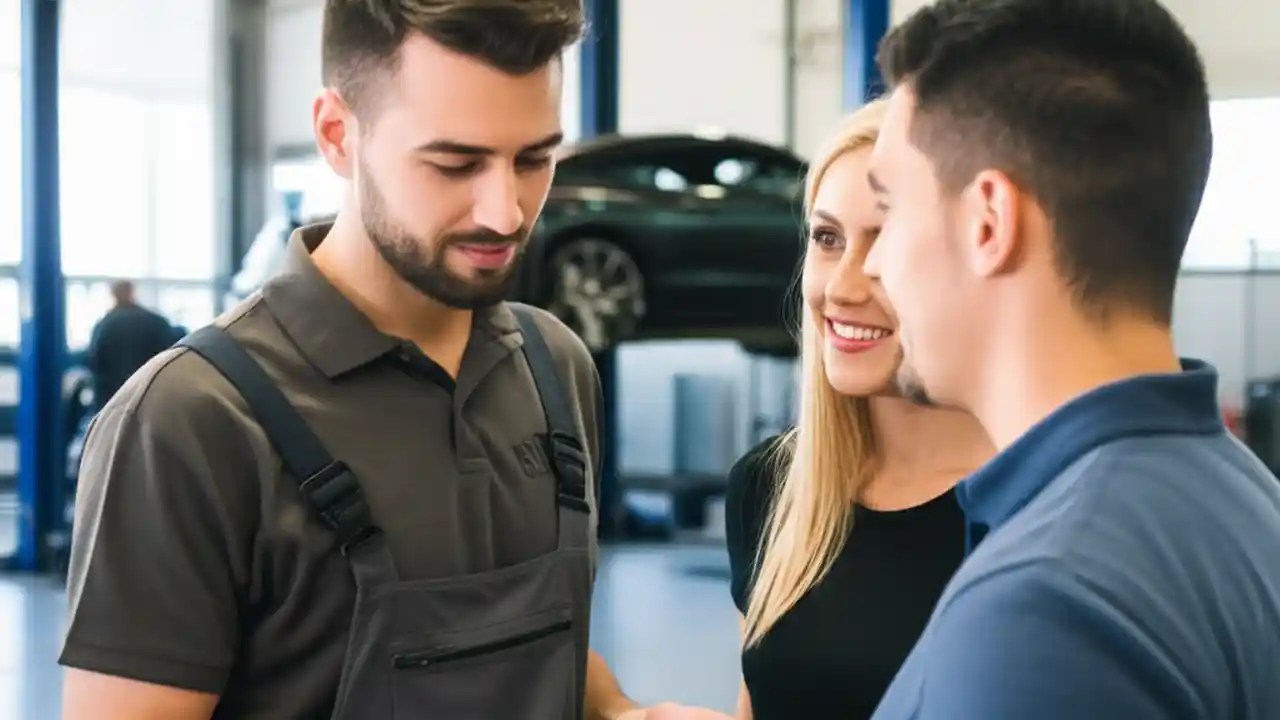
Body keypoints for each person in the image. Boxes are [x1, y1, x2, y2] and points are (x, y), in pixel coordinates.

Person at [58, 2, 717, 718]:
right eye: (454, 163)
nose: (505, 211)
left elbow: (531, 651)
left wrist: (622, 714)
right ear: (338, 135)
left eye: (534, 158)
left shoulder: (555, 369)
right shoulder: (189, 424)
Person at [861, 0, 1280, 717]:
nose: (873, 265)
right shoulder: (1245, 503)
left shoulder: (1041, 609)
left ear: (988, 221)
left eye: (889, 209)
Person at [723, 100, 993, 719]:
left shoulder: (1041, 510)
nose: (841, 286)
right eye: (827, 238)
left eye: (886, 241)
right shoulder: (771, 489)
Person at [85, 280, 177, 412]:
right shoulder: (157, 322)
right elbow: (170, 359)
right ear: (132, 292)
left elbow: (95, 362)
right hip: (150, 397)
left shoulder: (105, 325)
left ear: (113, 294)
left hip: (113, 400)